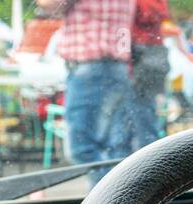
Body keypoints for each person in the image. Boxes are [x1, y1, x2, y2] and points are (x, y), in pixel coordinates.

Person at [55, 0, 134, 186]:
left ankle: (110, 200)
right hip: (119, 68)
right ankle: (121, 200)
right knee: (116, 147)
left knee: (80, 147)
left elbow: (48, 4)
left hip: (88, 69)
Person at [128, 0, 170, 152]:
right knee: (144, 115)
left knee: (141, 117)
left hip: (141, 59)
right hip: (149, 57)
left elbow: (147, 14)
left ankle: (146, 166)